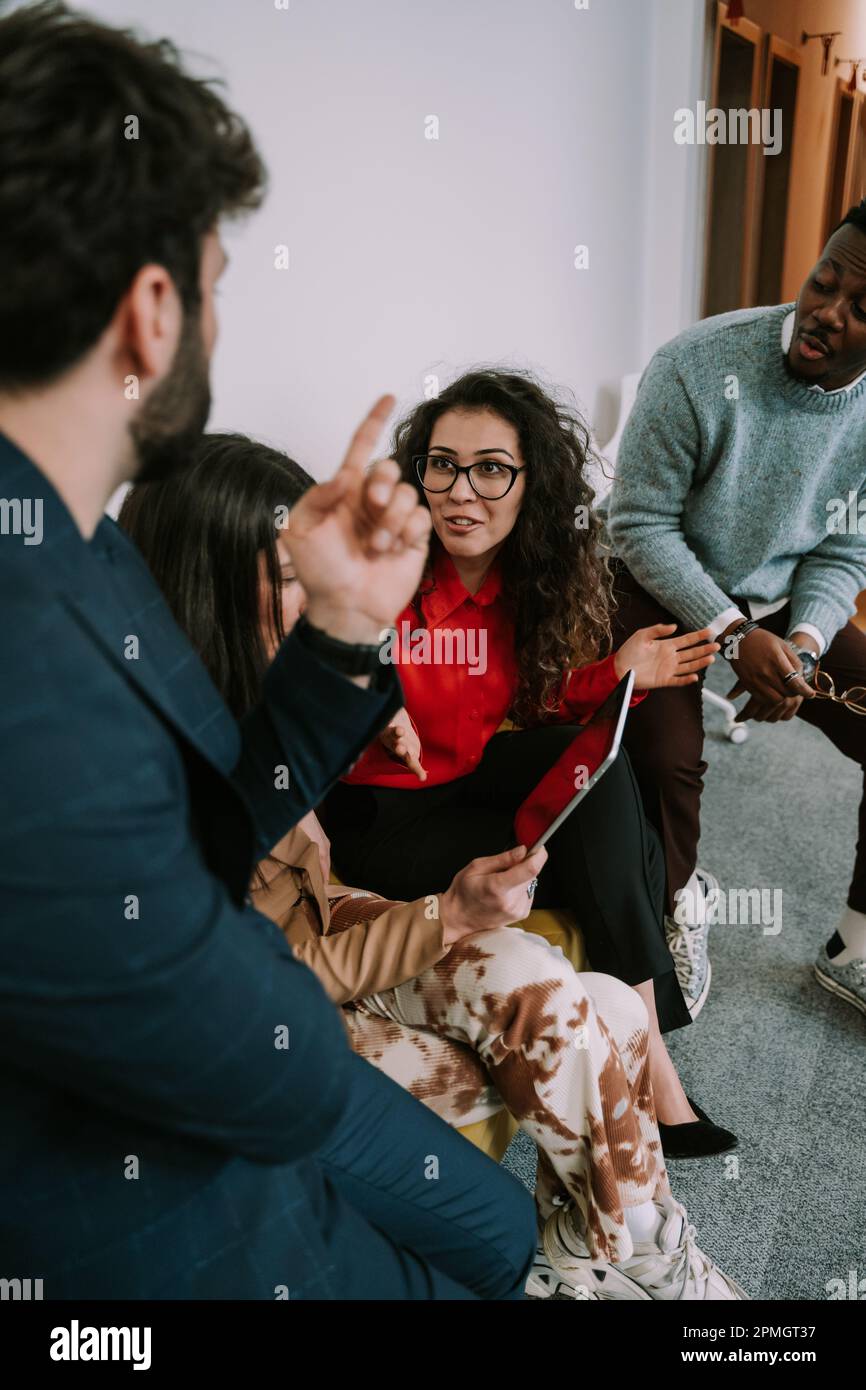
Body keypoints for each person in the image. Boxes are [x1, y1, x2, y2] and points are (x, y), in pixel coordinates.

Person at [0, 0, 539, 1300]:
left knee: (508, 1234)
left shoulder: (77, 537)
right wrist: (293, 951)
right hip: (157, 1201)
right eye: (215, 288)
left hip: (233, 1071)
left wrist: (343, 631)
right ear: (150, 313)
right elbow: (276, 1055)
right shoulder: (35, 699)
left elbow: (209, 825)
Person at [119, 430, 747, 1300]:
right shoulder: (152, 768)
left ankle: (630, 1245)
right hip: (266, 1013)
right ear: (213, 586)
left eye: (493, 469)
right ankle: (627, 1255)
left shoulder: (271, 668)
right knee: (542, 1044)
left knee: (595, 998)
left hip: (332, 917)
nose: (325, 588)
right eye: (295, 569)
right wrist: (442, 917)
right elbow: (256, 982)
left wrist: (355, 717)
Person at [319, 368, 736, 1154]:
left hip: (466, 782)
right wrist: (366, 698)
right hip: (379, 821)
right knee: (595, 830)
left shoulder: (524, 579)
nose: (459, 491)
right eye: (441, 464)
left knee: (602, 774)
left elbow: (535, 705)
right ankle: (652, 1066)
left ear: (530, 483)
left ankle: (645, 1052)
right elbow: (325, 665)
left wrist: (616, 676)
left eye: (490, 469)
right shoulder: (387, 573)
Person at [600, 201, 866, 1019]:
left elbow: (842, 547)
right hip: (652, 576)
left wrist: (807, 646)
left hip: (782, 593)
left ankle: (854, 945)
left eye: (863, 309)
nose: (825, 312)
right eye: (825, 281)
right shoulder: (697, 364)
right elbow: (637, 522)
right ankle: (679, 900)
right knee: (667, 754)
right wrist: (733, 632)